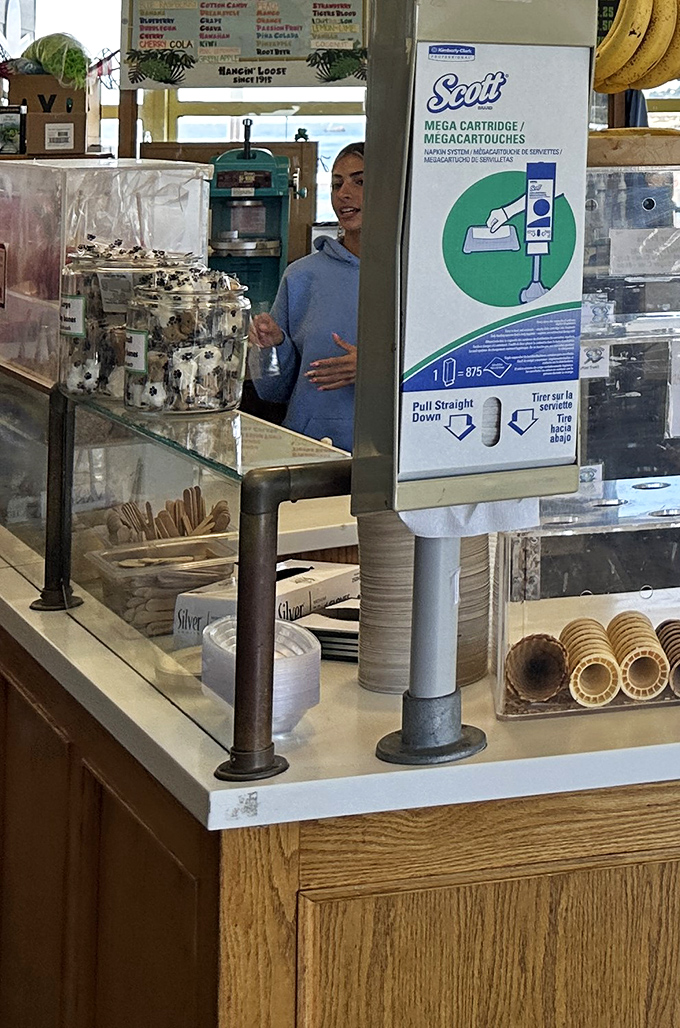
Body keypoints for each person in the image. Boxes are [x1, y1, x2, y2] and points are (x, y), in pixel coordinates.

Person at [248, 141, 363, 452]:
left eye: (360, 181)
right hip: (308, 452)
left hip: (388, 457)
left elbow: (446, 374)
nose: (344, 193)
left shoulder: (416, 278)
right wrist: (271, 348)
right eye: (336, 184)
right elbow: (272, 389)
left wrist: (376, 369)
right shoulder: (301, 276)